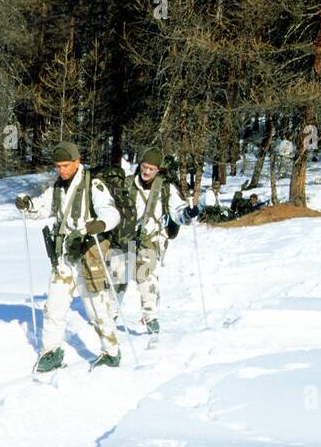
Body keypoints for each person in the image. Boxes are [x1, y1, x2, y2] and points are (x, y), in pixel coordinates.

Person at [15, 141, 123, 371]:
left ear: (77, 162)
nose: (61, 170)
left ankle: (111, 351)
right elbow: (41, 207)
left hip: (87, 254)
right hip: (64, 257)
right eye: (57, 166)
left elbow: (111, 211)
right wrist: (27, 204)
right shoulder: (57, 188)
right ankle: (52, 350)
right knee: (53, 307)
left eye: (65, 165)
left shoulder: (93, 185)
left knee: (96, 308)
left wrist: (100, 223)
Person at [126, 147, 193, 335]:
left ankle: (151, 317)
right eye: (144, 167)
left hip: (152, 237)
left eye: (151, 169)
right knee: (120, 276)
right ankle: (112, 312)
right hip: (126, 236)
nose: (146, 172)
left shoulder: (166, 188)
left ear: (158, 170)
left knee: (145, 274)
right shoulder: (128, 184)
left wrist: (186, 214)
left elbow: (178, 212)